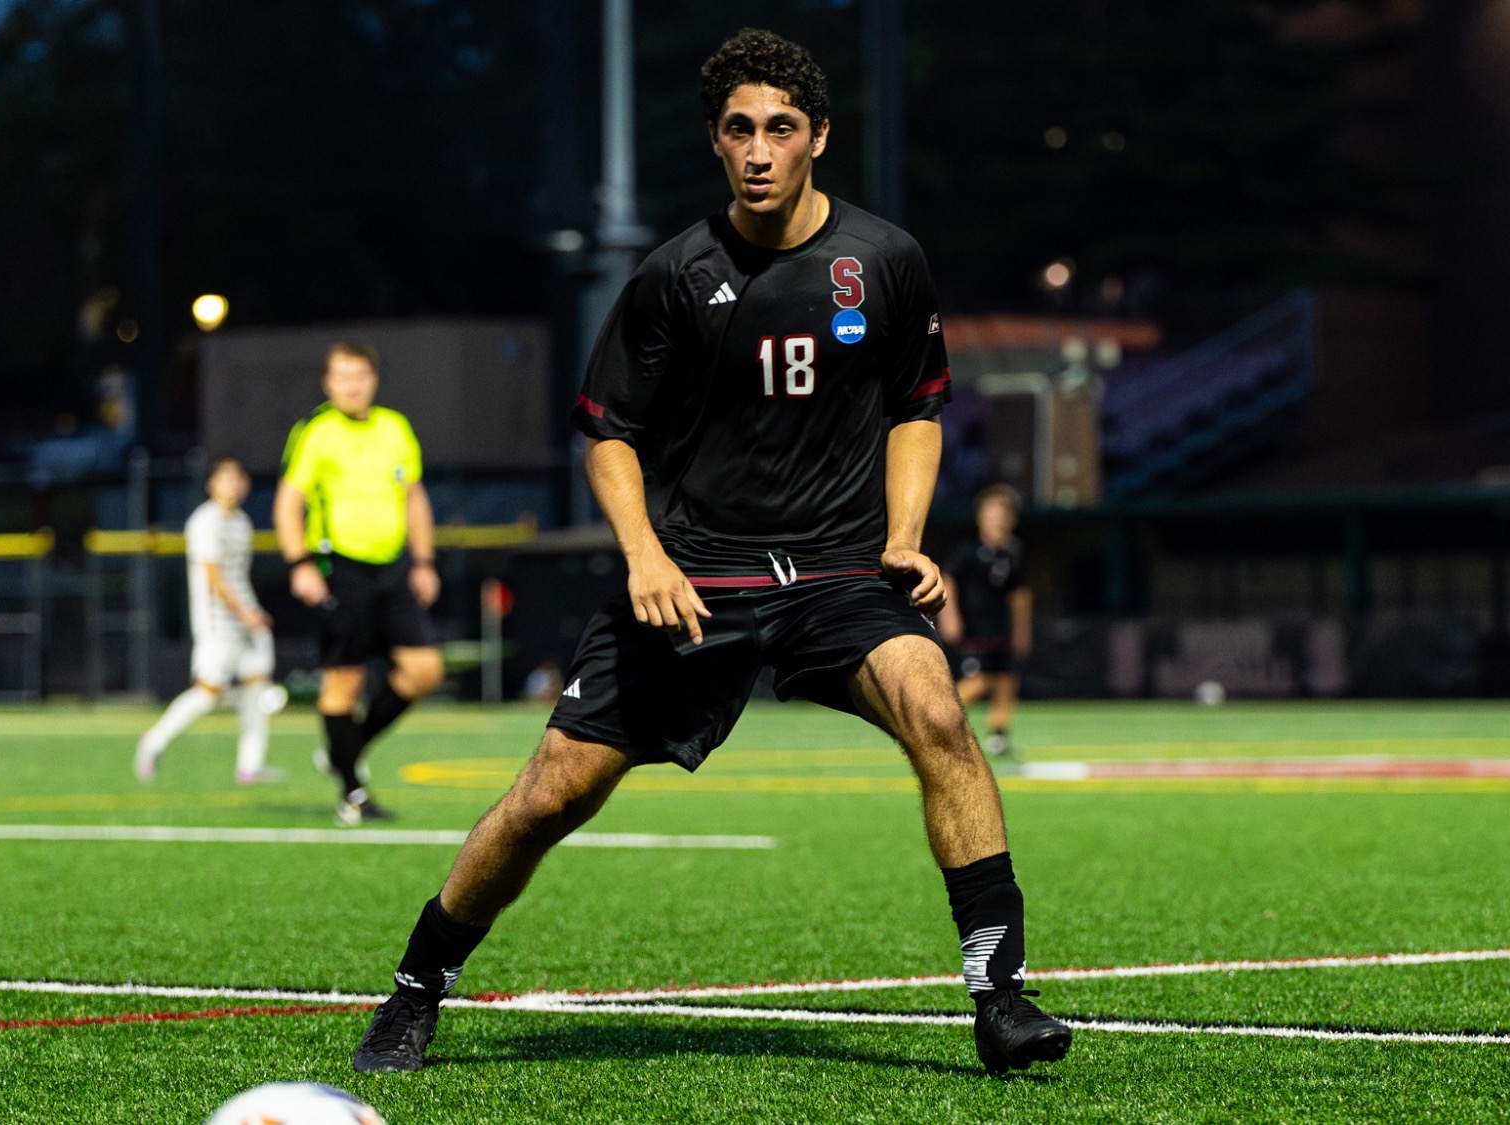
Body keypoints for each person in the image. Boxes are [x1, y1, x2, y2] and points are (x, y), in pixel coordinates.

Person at [351, 29, 1071, 1077]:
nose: (758, 150)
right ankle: (416, 989)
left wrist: (904, 538)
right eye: (738, 129)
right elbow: (609, 438)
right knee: (551, 793)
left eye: (780, 128)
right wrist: (644, 556)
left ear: (817, 136)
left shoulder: (883, 261)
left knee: (937, 712)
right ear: (715, 141)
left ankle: (999, 1002)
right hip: (696, 576)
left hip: (835, 571)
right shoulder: (671, 278)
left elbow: (918, 407)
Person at [274, 341, 444, 826]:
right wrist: (299, 564)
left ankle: (345, 751)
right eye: (342, 375)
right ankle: (352, 792)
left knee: (424, 671)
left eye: (360, 374)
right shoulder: (316, 431)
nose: (352, 383)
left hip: (391, 569)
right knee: (344, 681)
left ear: (373, 379)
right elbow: (288, 502)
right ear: (328, 384)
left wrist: (424, 561)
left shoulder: (394, 427)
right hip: (339, 567)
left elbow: (414, 497)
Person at [135, 457, 285, 784]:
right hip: (217, 623)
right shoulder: (205, 521)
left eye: (238, 478)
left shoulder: (242, 523)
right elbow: (214, 577)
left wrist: (252, 612)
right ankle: (153, 740)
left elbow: (239, 577)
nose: (232, 485)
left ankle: (250, 767)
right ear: (212, 484)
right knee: (207, 693)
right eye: (225, 478)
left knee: (257, 689)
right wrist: (244, 612)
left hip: (246, 621)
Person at [938, 484, 1032, 757]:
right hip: (973, 628)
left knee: (1006, 681)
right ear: (980, 517)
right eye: (990, 513)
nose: (996, 519)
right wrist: (949, 616)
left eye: (1002, 513)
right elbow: (949, 580)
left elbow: (1020, 595)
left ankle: (998, 738)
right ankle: (940, 723)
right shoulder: (969, 550)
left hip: (1000, 627)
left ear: (1011, 518)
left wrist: (1022, 631)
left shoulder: (1013, 551)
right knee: (978, 681)